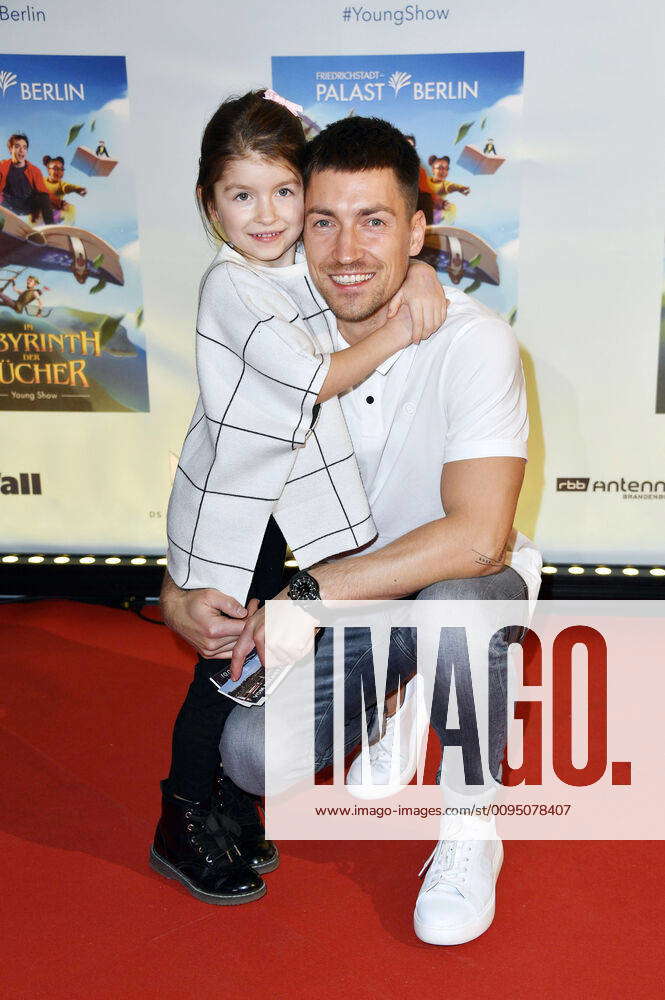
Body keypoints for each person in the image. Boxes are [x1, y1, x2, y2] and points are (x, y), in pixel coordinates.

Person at [161, 115, 541, 945]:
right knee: (253, 759)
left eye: (374, 221)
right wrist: (177, 587)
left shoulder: (474, 343)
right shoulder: (274, 327)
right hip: (352, 605)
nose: (345, 251)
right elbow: (222, 466)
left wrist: (305, 592)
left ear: (416, 230)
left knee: (456, 604)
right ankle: (393, 699)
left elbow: (478, 538)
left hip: (445, 579)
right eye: (323, 221)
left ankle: (470, 824)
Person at [153, 91, 446, 907]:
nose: (266, 214)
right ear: (209, 203)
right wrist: (404, 325)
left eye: (284, 192)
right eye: (241, 195)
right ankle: (181, 814)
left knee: (257, 659)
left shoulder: (290, 269)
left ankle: (226, 804)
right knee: (225, 667)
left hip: (280, 512)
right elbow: (319, 376)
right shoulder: (232, 287)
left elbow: (363, 286)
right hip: (235, 514)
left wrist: (420, 269)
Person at [0, 134, 54, 224]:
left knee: (44, 196)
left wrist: (59, 204)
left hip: (28, 205)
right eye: (17, 146)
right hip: (9, 204)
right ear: (10, 149)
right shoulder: (2, 166)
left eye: (24, 148)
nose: (21, 150)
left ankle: (51, 226)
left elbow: (44, 193)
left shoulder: (34, 171)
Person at [41, 155, 86, 224]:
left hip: (53, 214)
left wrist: (78, 189)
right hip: (40, 213)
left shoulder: (61, 184)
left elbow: (68, 187)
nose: (59, 172)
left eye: (62, 169)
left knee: (71, 208)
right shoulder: (42, 180)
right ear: (48, 170)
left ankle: (66, 227)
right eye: (55, 169)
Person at [427, 154, 470, 224]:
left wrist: (460, 188)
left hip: (436, 212)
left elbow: (451, 186)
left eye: (446, 169)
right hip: (423, 208)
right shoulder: (426, 180)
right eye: (440, 168)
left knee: (452, 208)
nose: (444, 171)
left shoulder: (444, 184)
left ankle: (445, 225)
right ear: (433, 169)